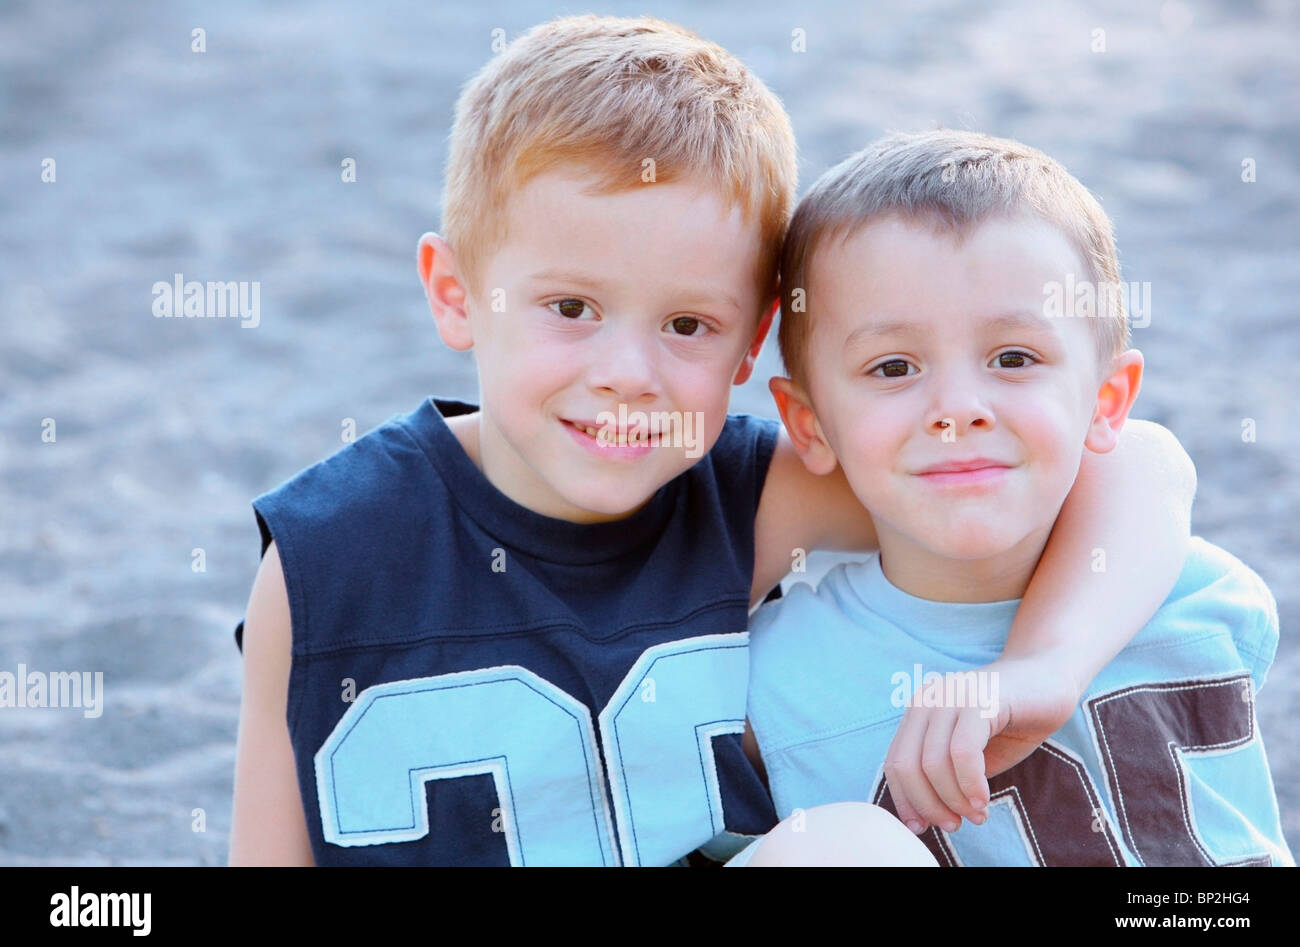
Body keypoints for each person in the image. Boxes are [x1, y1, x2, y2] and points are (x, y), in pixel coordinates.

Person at [228, 18, 1197, 866]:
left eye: (688, 324)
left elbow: (1129, 459)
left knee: (847, 849)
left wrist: (1043, 668)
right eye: (571, 307)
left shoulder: (747, 494)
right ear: (454, 293)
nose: (628, 371)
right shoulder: (328, 555)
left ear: (749, 341)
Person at [741, 129, 1293, 866]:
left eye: (1014, 357)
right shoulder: (776, 684)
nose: (959, 407)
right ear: (808, 424)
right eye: (894, 365)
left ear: (1106, 399)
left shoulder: (1196, 593)